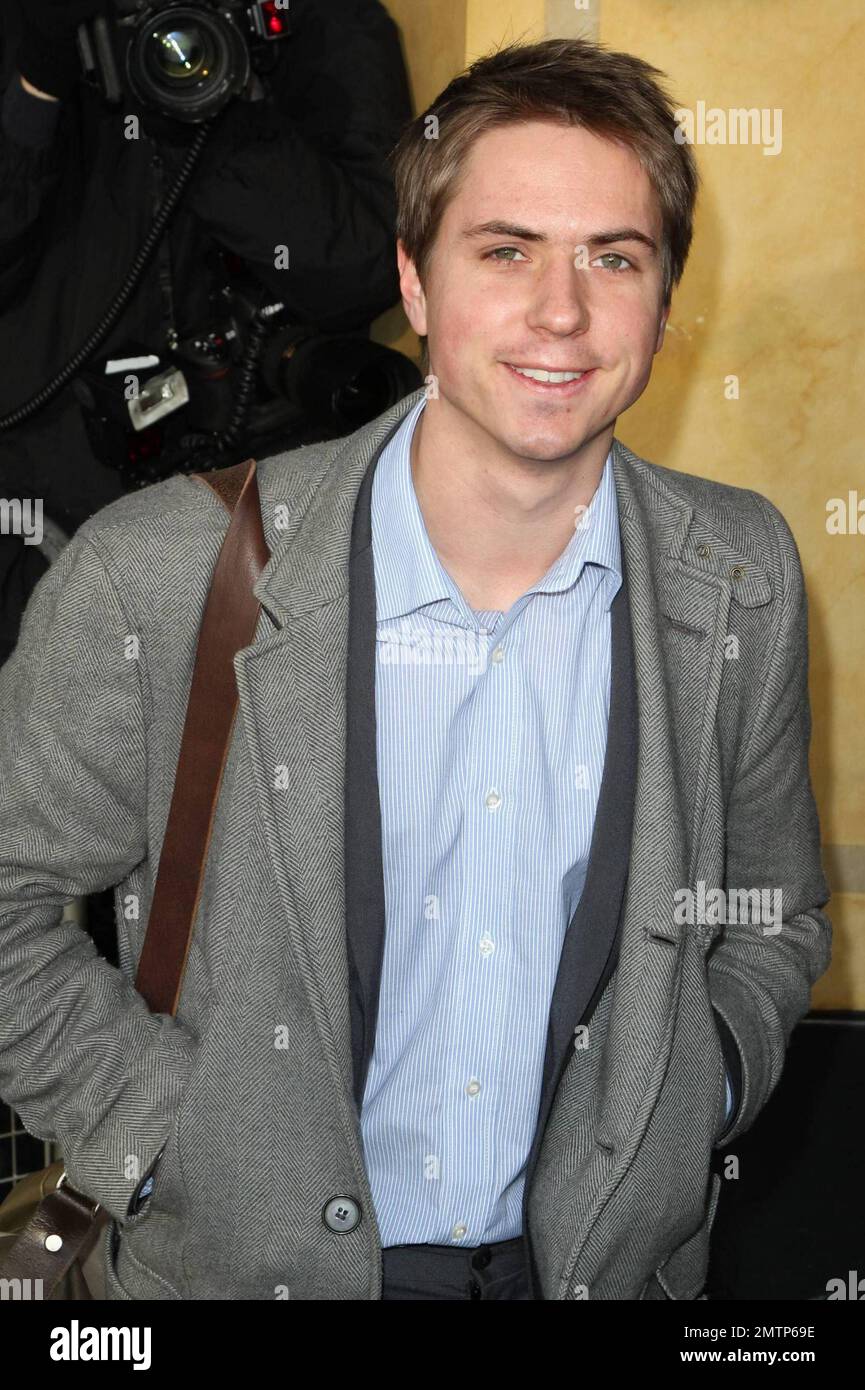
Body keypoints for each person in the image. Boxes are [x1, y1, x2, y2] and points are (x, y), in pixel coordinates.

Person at [0, 36, 831, 1300]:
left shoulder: (742, 572)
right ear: (416, 280)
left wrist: (693, 1086)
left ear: (663, 302)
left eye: (614, 257)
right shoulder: (158, 578)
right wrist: (170, 1137)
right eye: (505, 251)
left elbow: (774, 912)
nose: (562, 311)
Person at [0, 0, 412, 664]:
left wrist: (204, 101)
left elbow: (362, 267)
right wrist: (35, 85)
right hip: (39, 525)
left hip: (254, 528)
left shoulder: (317, 19)